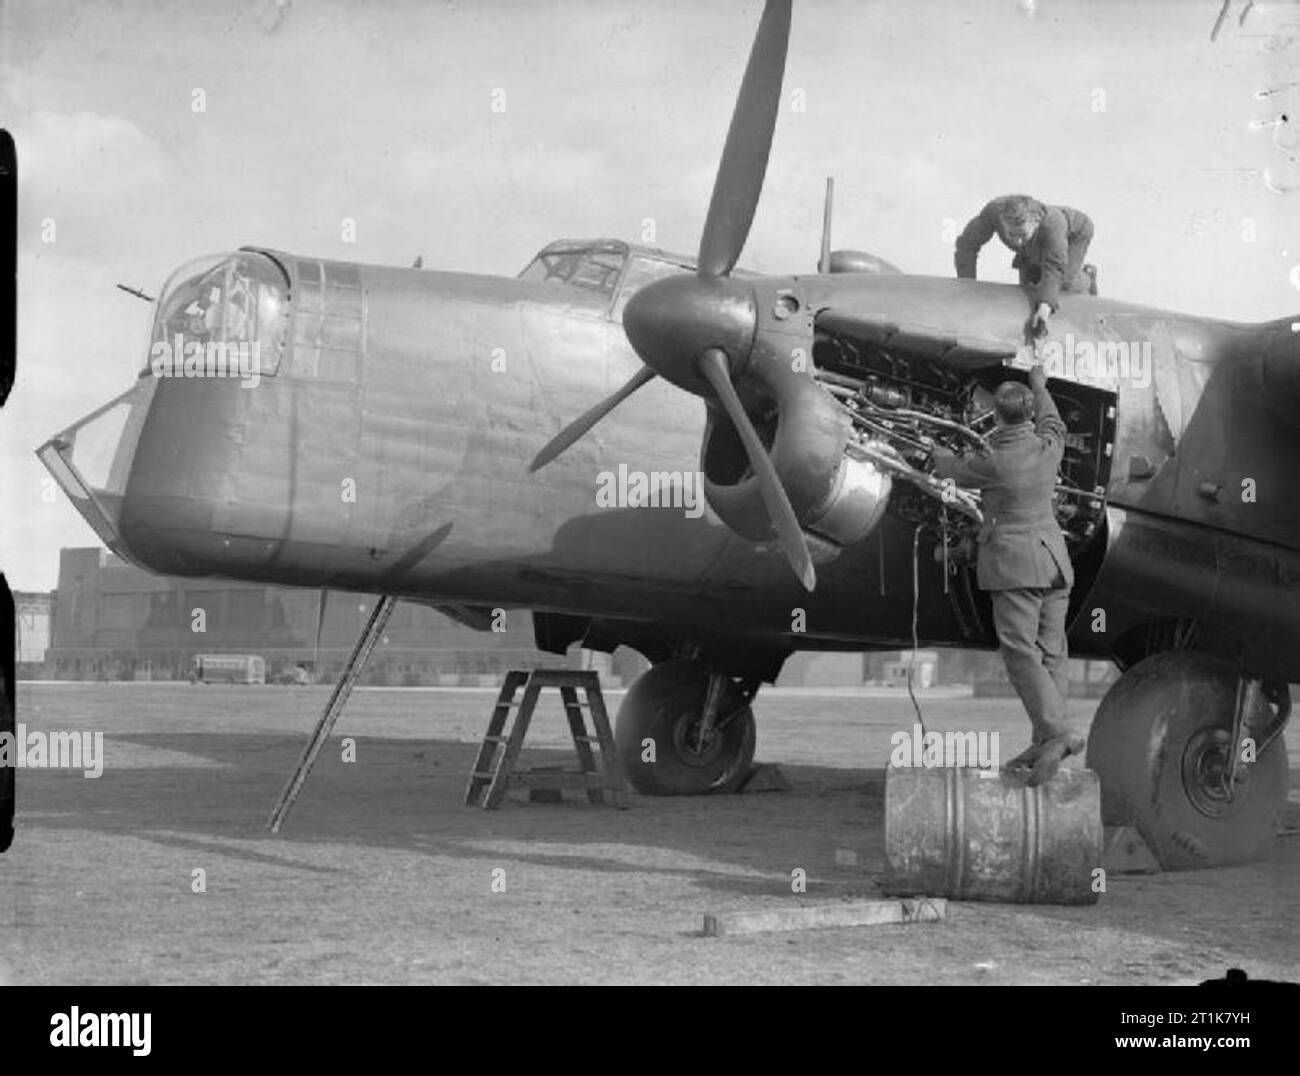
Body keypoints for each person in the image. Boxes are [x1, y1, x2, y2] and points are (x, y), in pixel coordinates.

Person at [931, 363, 1083, 784]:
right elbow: (1053, 421)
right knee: (1052, 651)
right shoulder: (1048, 445)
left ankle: (1056, 733)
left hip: (1015, 567)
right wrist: (1041, 385)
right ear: (1030, 414)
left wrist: (930, 448)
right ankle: (1046, 739)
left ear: (996, 416)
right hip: (1053, 562)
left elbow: (947, 468)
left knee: (1019, 651)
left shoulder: (995, 461)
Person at [954, 195, 1095, 336]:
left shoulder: (1053, 224)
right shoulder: (993, 213)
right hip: (1037, 241)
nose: (1018, 242)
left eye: (1022, 235)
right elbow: (966, 244)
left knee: (1063, 282)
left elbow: (1055, 266)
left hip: (1075, 233)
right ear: (1002, 221)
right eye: (1012, 235)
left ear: (1036, 222)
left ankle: (1088, 277)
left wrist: (1045, 307)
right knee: (1029, 286)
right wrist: (968, 286)